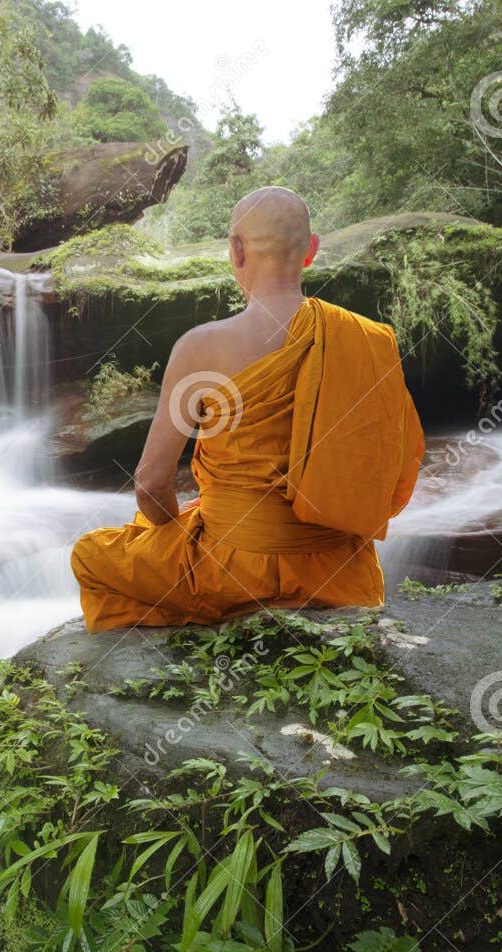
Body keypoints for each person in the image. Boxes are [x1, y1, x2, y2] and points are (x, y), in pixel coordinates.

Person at [69, 186, 424, 633]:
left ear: (236, 251)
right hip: (337, 577)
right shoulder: (369, 341)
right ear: (310, 251)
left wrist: (180, 529)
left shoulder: (200, 348)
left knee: (91, 553)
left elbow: (150, 484)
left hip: (231, 573)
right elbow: (388, 478)